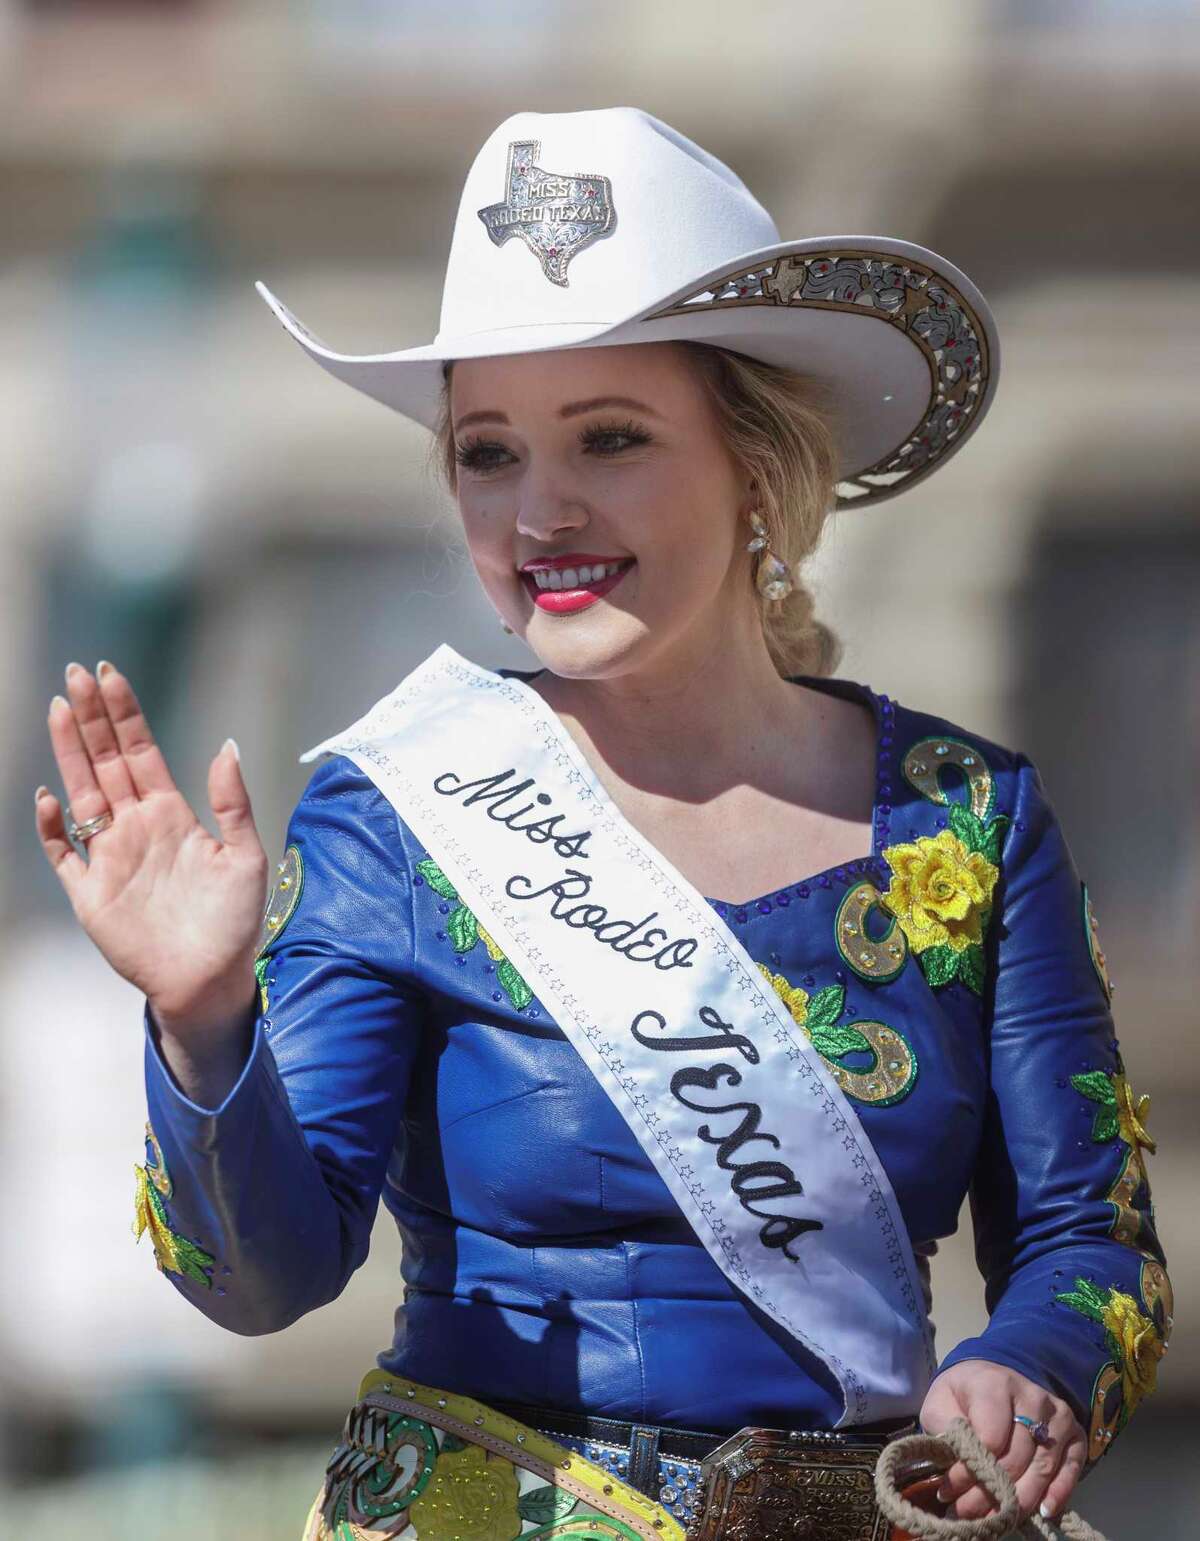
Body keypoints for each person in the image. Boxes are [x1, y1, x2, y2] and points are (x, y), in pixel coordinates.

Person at [37, 108, 1169, 1540]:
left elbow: (1090, 1241)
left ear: (761, 464)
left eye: (612, 438)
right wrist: (204, 1020)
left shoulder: (971, 818)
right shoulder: (400, 810)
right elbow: (258, 1281)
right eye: (488, 451)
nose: (541, 510)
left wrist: (1033, 1362)